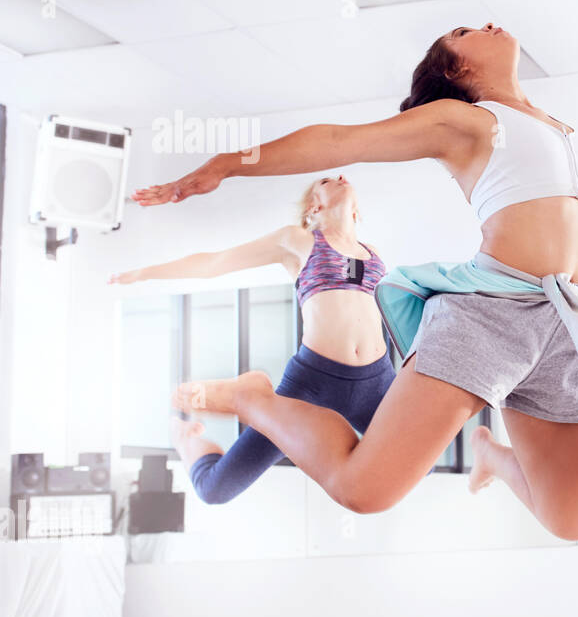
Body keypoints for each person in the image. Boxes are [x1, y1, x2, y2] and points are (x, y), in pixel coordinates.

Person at [133, 22, 578, 541]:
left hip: (572, 324)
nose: (487, 24)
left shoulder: (561, 130)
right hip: (492, 315)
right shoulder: (466, 121)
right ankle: (253, 400)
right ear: (458, 68)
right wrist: (228, 164)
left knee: (571, 520)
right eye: (464, 30)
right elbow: (339, 142)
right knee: (364, 490)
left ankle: (492, 457)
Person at [110, 175, 393, 504]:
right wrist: (144, 274)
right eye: (327, 180)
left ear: (356, 210)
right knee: (214, 489)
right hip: (312, 385)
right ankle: (187, 436)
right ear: (314, 204)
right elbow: (216, 262)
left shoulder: (373, 253)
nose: (341, 177)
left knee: (417, 465)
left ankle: (272, 413)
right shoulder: (299, 240)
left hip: (376, 380)